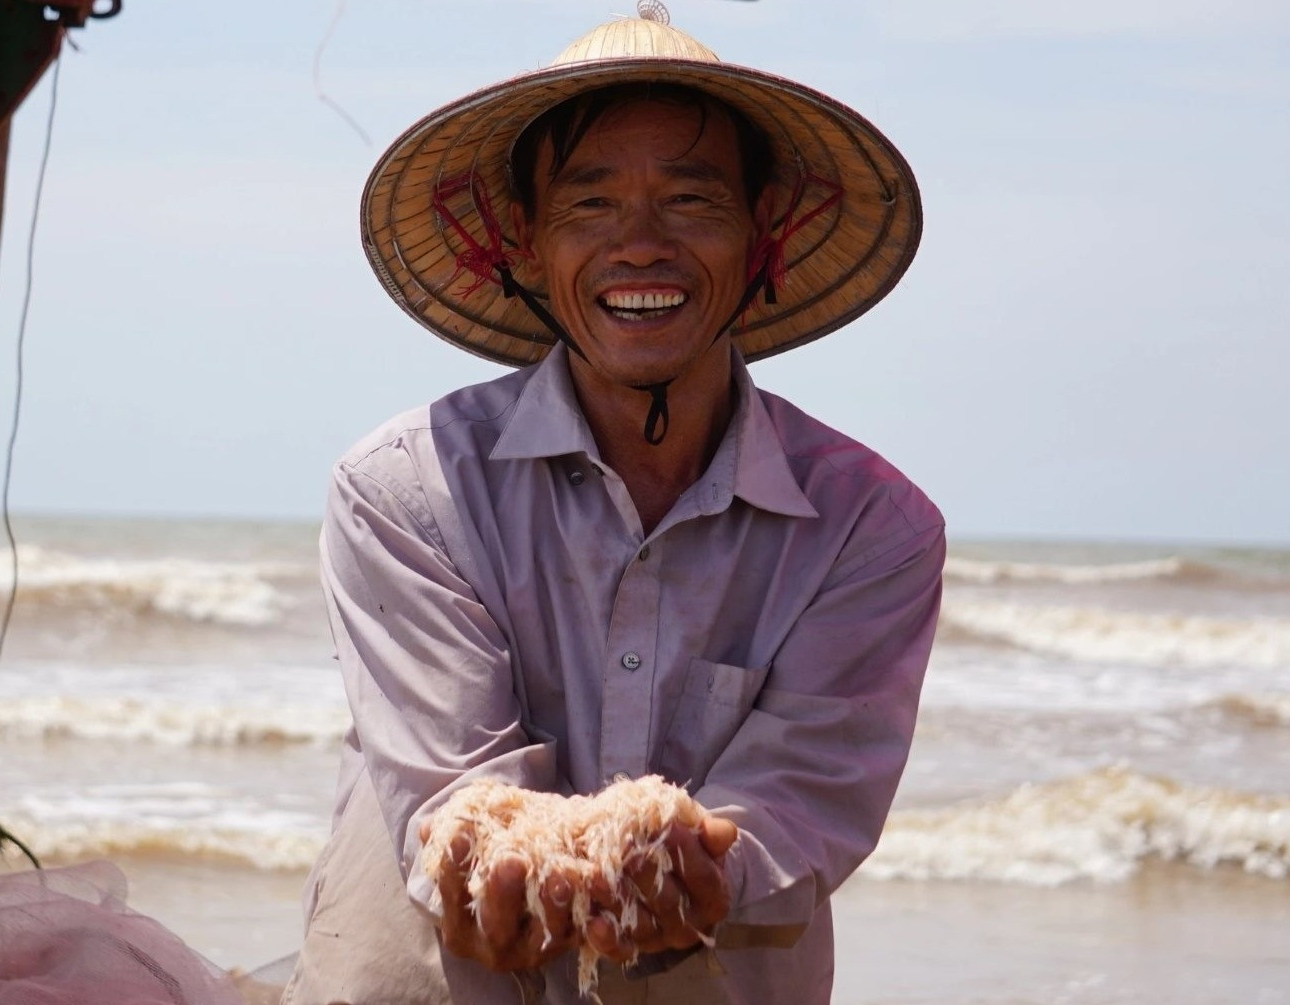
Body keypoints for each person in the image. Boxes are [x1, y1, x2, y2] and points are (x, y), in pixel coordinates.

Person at [285, 5, 943, 1003]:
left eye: (691, 201)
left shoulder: (870, 528)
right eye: (588, 206)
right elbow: (453, 795)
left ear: (764, 232)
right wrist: (520, 854)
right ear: (524, 240)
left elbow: (798, 805)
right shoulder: (406, 488)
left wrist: (680, 861)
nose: (640, 247)